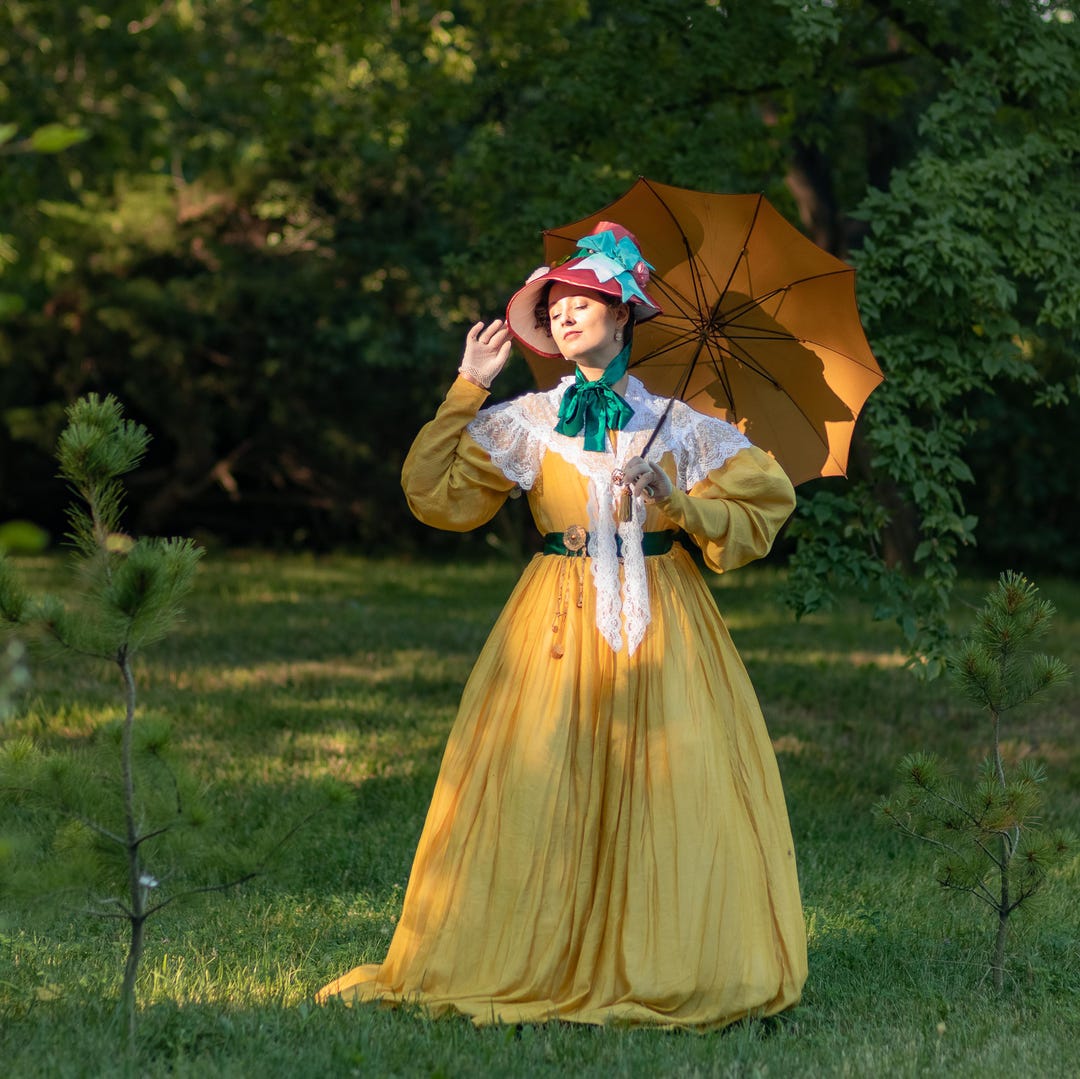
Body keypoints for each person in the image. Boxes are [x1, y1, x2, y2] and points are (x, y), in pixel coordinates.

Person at [317, 221, 807, 1029]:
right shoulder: (531, 420)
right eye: (555, 305)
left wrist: (674, 500)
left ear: (624, 315)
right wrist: (468, 386)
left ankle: (666, 960)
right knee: (541, 778)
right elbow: (432, 491)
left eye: (582, 300)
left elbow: (764, 506)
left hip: (662, 619)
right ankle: (533, 952)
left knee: (672, 780)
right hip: (553, 619)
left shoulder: (678, 424)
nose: (564, 314)